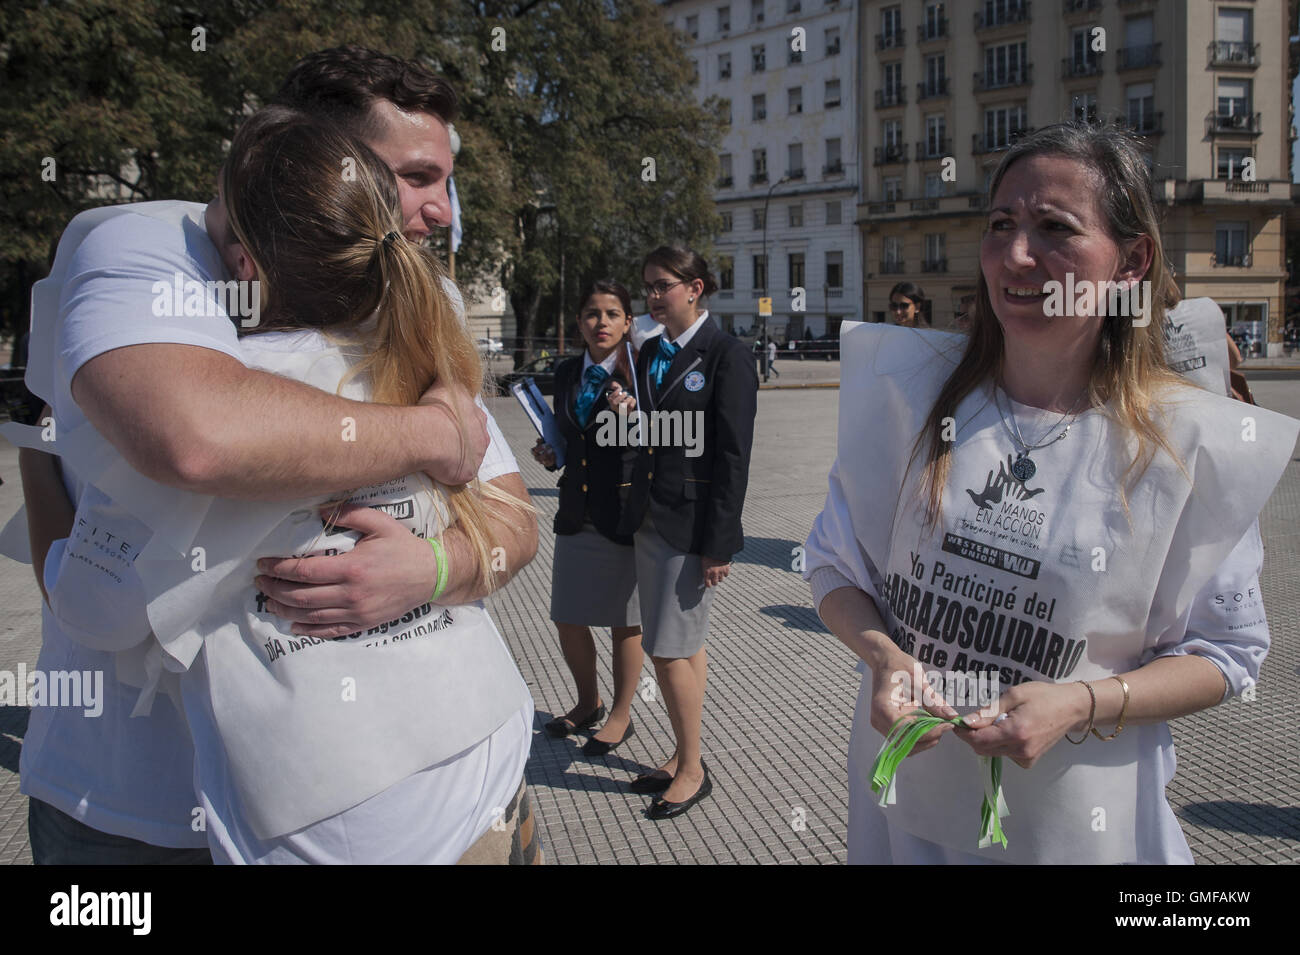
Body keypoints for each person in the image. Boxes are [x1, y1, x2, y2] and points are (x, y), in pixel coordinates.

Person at [5, 46, 535, 865]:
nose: (443, 212)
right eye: (419, 177)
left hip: (380, 796)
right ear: (324, 162)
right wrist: (437, 433)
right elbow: (198, 437)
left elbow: (513, 518)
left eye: (447, 183)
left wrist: (432, 569)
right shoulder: (146, 241)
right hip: (131, 809)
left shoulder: (418, 307)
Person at [803, 123, 1297, 864]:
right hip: (910, 819)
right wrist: (883, 657)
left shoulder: (1189, 445)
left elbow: (1226, 653)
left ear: (1132, 260)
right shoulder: (909, 399)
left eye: (1054, 227)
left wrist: (1079, 703)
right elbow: (832, 565)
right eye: (1001, 224)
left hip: (1081, 832)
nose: (1017, 254)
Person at [609, 246, 758, 819]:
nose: (650, 297)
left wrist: (719, 541)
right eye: (646, 286)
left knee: (668, 650)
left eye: (661, 286)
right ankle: (681, 754)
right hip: (651, 513)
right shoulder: (652, 354)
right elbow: (663, 429)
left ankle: (693, 769)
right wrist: (633, 417)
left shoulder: (726, 355)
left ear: (694, 288)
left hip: (690, 525)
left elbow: (733, 456)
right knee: (682, 647)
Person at [531, 280, 645, 756]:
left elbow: (663, 442)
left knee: (625, 621)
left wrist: (636, 419)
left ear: (628, 323)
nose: (601, 323)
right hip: (575, 508)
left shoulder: (641, 373)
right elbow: (568, 436)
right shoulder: (566, 371)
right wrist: (550, 452)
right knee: (568, 616)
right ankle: (587, 702)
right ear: (578, 323)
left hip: (622, 511)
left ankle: (621, 713)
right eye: (592, 314)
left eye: (612, 313)